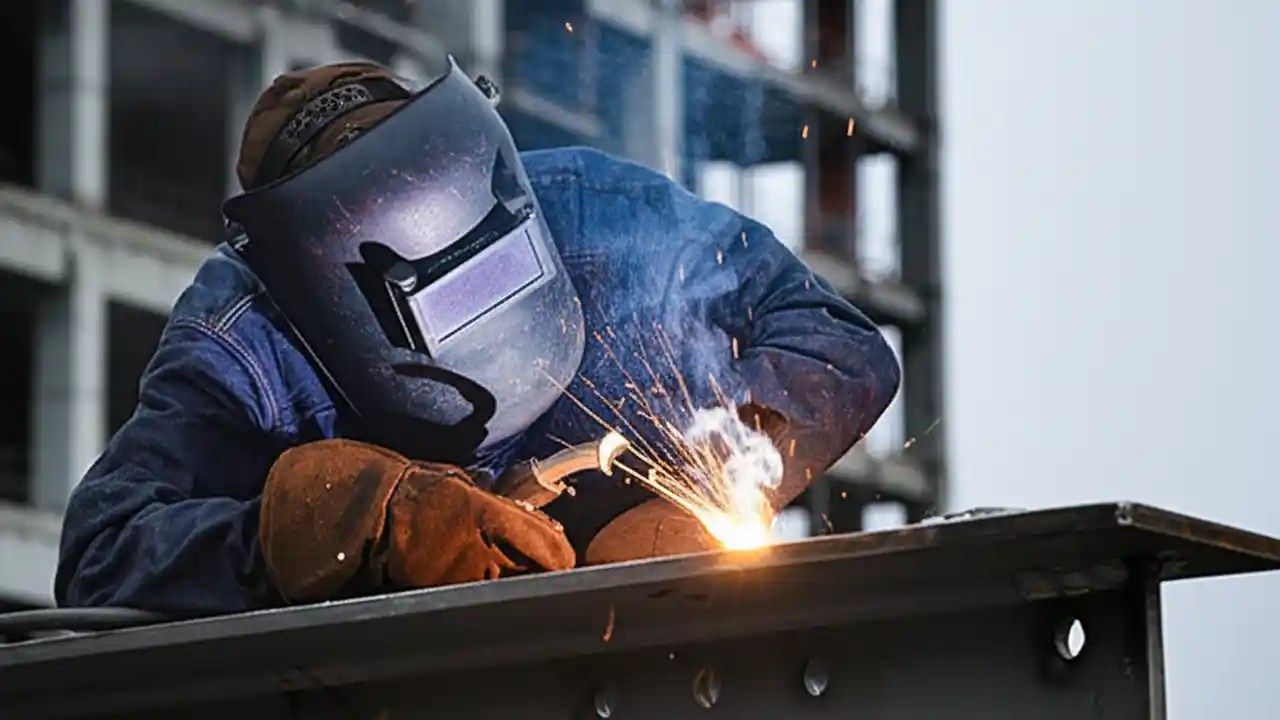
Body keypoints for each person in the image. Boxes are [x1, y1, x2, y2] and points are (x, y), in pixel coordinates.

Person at [53, 58, 901, 616]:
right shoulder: (247, 336)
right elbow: (105, 552)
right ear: (305, 266)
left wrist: (705, 486)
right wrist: (355, 528)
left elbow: (835, 339)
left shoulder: (590, 209)